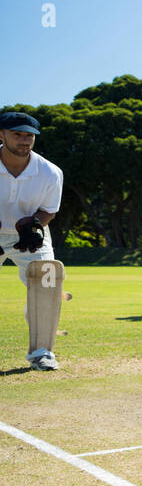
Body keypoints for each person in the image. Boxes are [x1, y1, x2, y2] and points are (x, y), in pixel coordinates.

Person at [0, 111, 66, 370]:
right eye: (17, 134)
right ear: (1, 135)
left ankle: (42, 352)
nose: (24, 140)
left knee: (48, 281)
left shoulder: (50, 172)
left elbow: (49, 209)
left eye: (29, 136)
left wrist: (35, 224)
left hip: (31, 238)